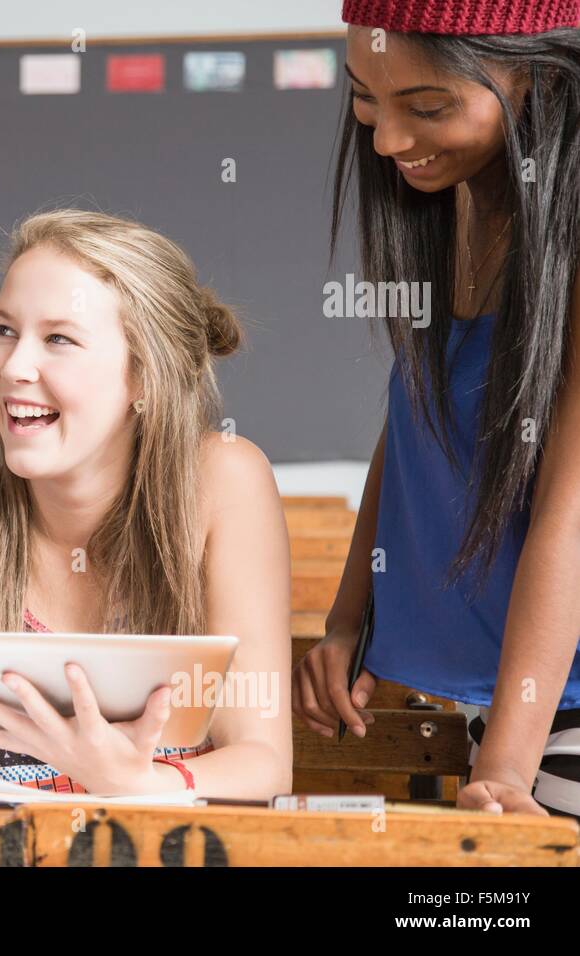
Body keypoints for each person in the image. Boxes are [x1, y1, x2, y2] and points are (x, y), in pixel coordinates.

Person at [0, 210, 292, 798]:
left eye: (58, 339)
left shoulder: (225, 481)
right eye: (4, 330)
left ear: (145, 377)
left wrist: (134, 782)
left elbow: (263, 762)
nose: (13, 367)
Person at [294, 0, 580, 820]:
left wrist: (505, 771)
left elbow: (570, 514)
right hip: (510, 719)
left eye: (426, 107)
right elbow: (415, 415)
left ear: (540, 73)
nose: (385, 140)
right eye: (363, 99)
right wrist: (350, 620)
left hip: (547, 729)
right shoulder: (460, 198)